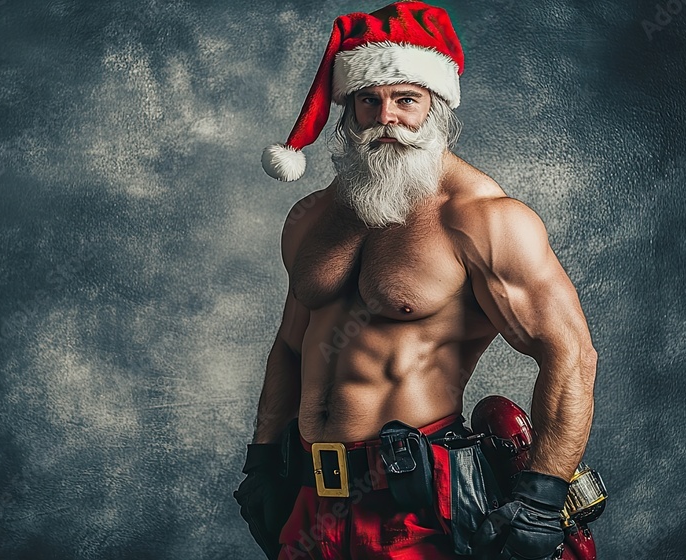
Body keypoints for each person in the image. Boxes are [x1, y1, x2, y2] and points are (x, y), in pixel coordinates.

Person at [234, 3, 598, 560]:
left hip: (414, 510)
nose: (387, 118)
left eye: (406, 100)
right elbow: (289, 345)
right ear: (348, 109)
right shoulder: (311, 217)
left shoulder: (482, 218)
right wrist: (263, 461)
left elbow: (569, 352)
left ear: (436, 107)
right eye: (369, 100)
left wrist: (542, 497)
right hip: (312, 502)